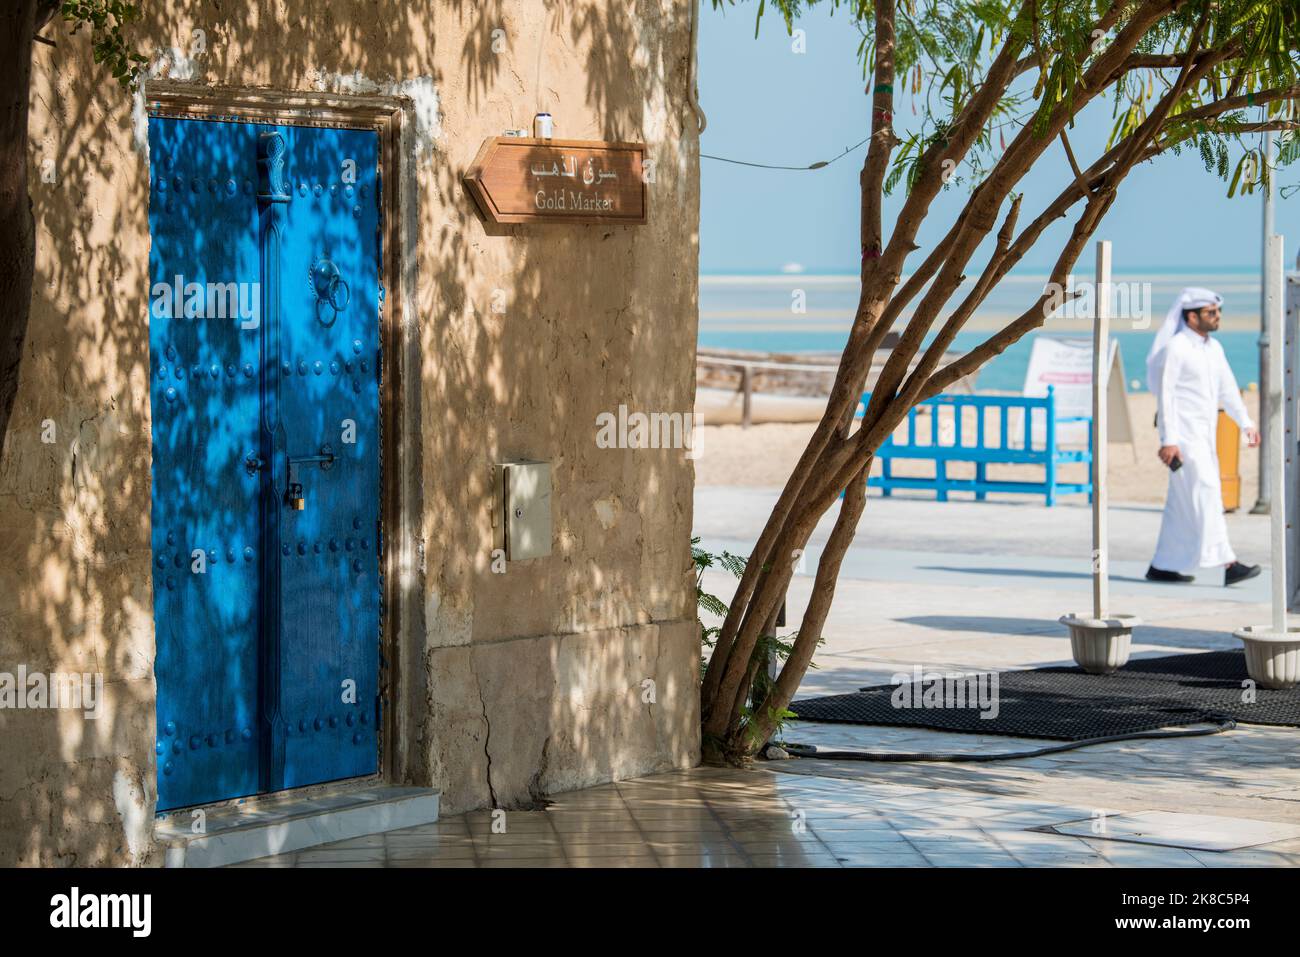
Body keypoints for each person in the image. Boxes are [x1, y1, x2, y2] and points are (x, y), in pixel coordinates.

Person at [1144, 288, 1260, 586]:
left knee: (1181, 503)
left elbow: (1228, 390)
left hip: (1205, 436)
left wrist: (1245, 422)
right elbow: (1165, 397)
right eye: (1211, 312)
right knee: (1207, 491)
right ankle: (1229, 563)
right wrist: (1168, 440)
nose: (1217, 317)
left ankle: (1163, 565)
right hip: (1183, 440)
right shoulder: (1177, 348)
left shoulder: (1214, 348)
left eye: (1218, 312)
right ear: (1191, 316)